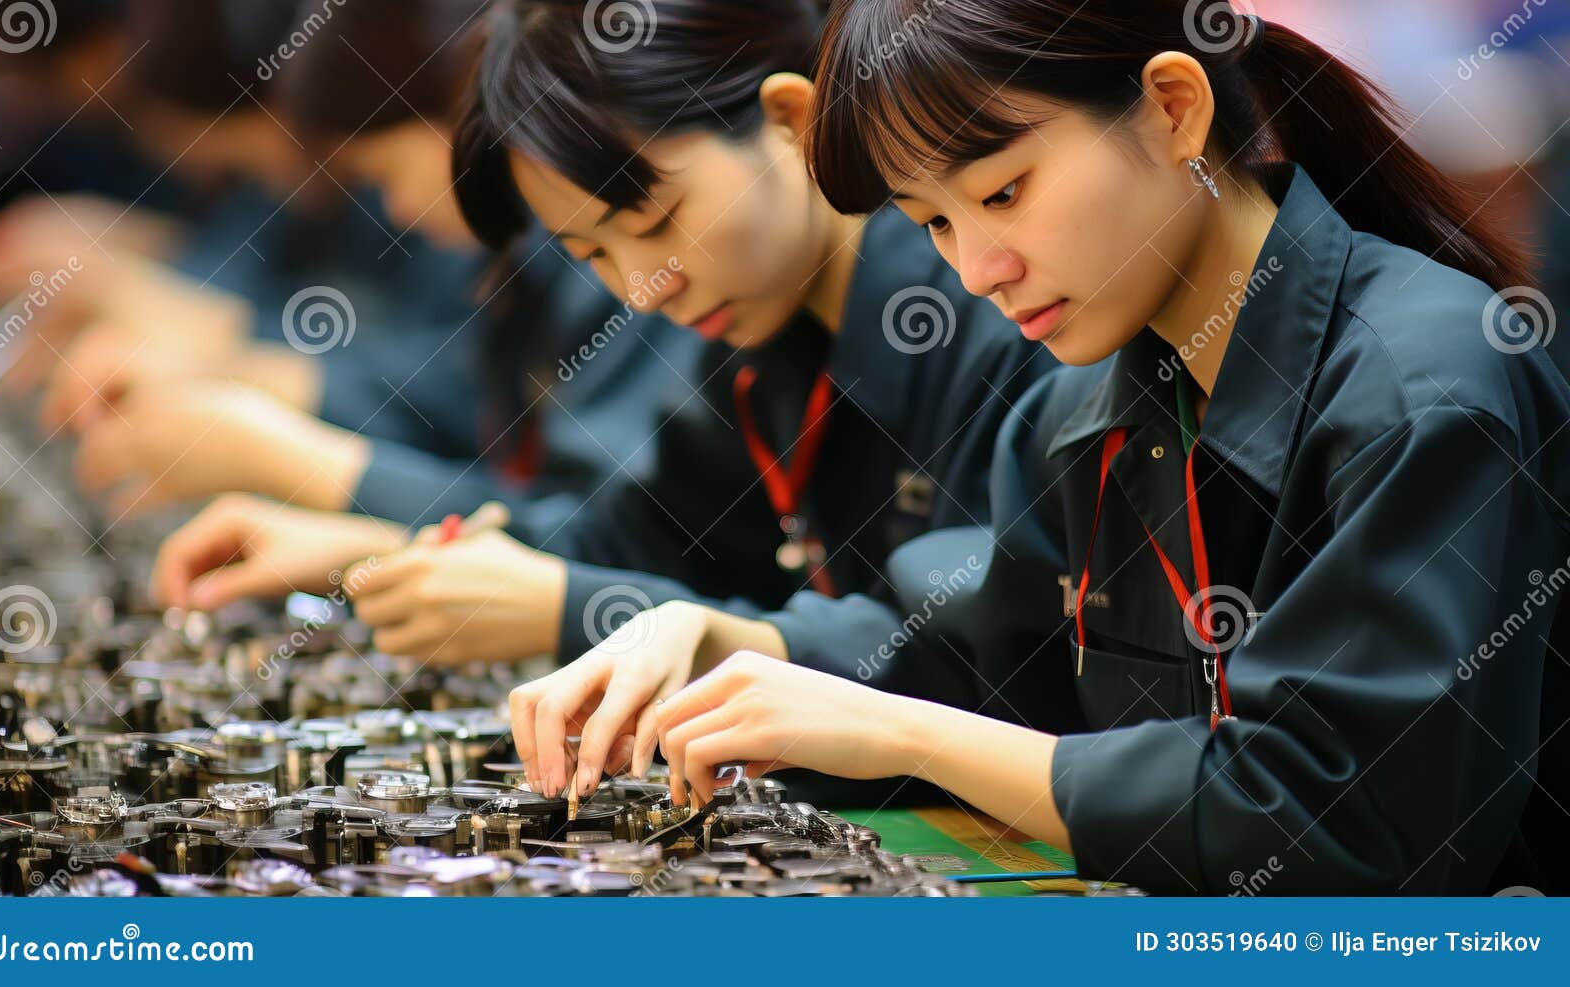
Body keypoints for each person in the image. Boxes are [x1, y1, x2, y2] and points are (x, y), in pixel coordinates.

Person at [512, 0, 1570, 896]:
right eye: (930, 222)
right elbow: (975, 657)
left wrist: (912, 738)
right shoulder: (1082, 411)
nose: (975, 269)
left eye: (1002, 192)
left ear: (1171, 109)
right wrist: (712, 644)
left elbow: (1338, 828)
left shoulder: (1422, 388)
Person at [153, 0, 1059, 686]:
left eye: (657, 220)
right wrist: (367, 555)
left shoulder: (1000, 309)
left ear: (789, 119)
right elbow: (641, 534)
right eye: (592, 252)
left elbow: (977, 658)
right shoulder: (760, 339)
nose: (644, 285)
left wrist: (569, 610)